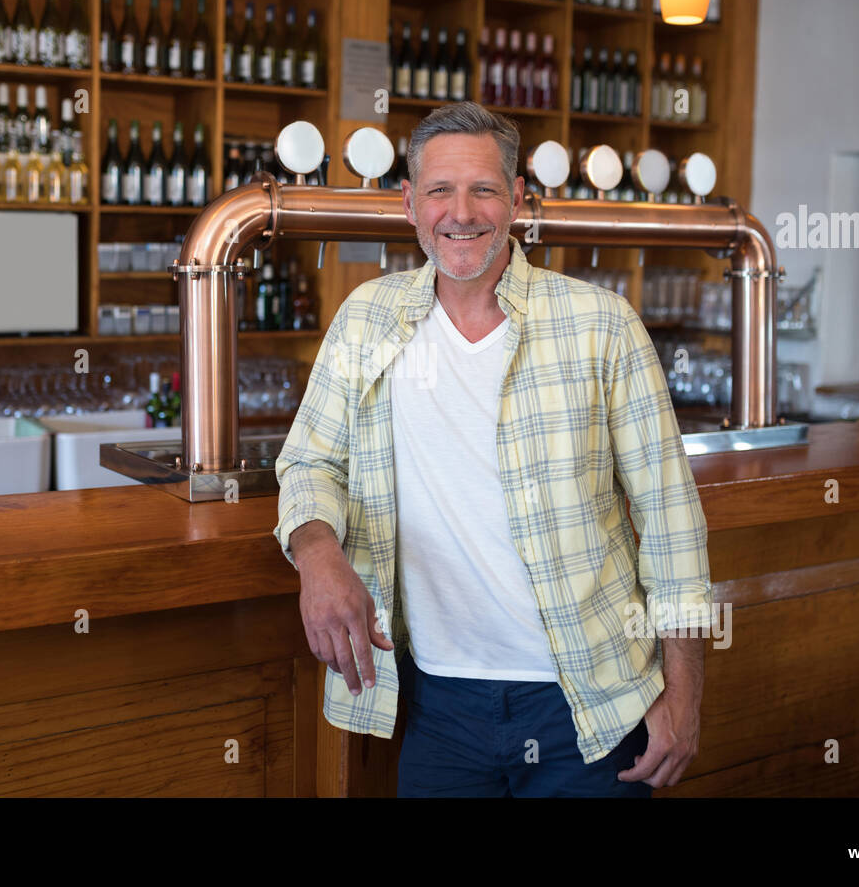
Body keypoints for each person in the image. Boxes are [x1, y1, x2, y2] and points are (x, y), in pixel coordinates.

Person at [273, 101, 712, 797]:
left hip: (591, 702)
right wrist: (318, 554)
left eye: (483, 188)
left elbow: (671, 521)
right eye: (440, 191)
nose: (461, 211)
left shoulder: (602, 325)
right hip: (440, 707)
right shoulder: (367, 320)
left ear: (516, 200)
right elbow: (310, 461)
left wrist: (684, 699)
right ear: (410, 205)